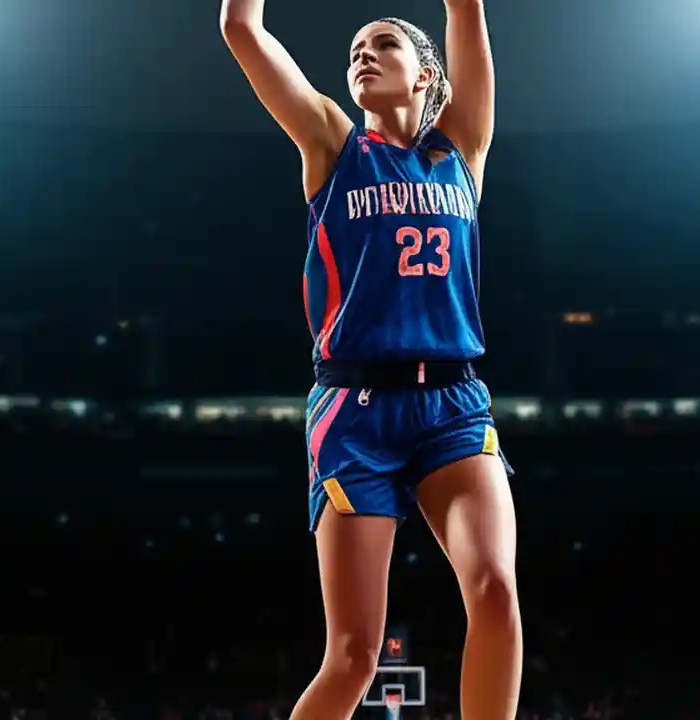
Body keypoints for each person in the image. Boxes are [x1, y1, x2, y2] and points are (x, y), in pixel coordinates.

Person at [219, 1, 521, 718]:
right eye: (354, 48)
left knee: (496, 590)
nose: (361, 54)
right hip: (354, 412)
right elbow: (241, 29)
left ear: (425, 74)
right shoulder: (333, 143)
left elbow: (465, 8)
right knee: (354, 654)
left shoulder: (461, 149)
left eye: (382, 44)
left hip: (452, 402)